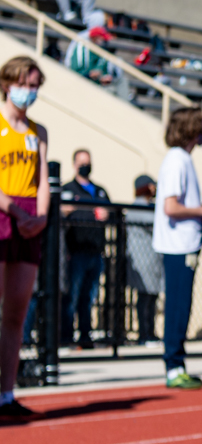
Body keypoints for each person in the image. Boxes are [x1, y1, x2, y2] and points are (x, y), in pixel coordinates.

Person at [0, 57, 50, 418]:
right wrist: (15, 212)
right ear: (7, 83)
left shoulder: (38, 132)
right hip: (4, 213)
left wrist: (41, 218)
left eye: (34, 85)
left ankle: (6, 393)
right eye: (24, 83)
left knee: (16, 311)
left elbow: (43, 179)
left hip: (29, 218)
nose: (29, 91)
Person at [152, 109, 202, 389]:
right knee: (177, 306)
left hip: (182, 243)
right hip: (178, 245)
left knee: (181, 306)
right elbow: (171, 206)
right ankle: (174, 366)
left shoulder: (180, 159)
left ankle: (177, 363)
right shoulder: (178, 160)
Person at [60, 149, 110, 349]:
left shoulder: (99, 191)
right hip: (75, 252)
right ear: (74, 165)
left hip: (95, 252)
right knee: (71, 296)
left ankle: (85, 336)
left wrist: (107, 214)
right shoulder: (67, 189)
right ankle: (66, 337)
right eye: (82, 163)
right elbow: (60, 213)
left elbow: (112, 212)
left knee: (89, 298)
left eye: (87, 162)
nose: (85, 166)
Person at [127, 174, 161, 344]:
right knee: (144, 297)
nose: (154, 189)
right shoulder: (138, 207)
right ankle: (144, 334)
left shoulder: (151, 206)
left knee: (152, 297)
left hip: (153, 259)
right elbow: (155, 223)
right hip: (142, 260)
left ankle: (151, 332)